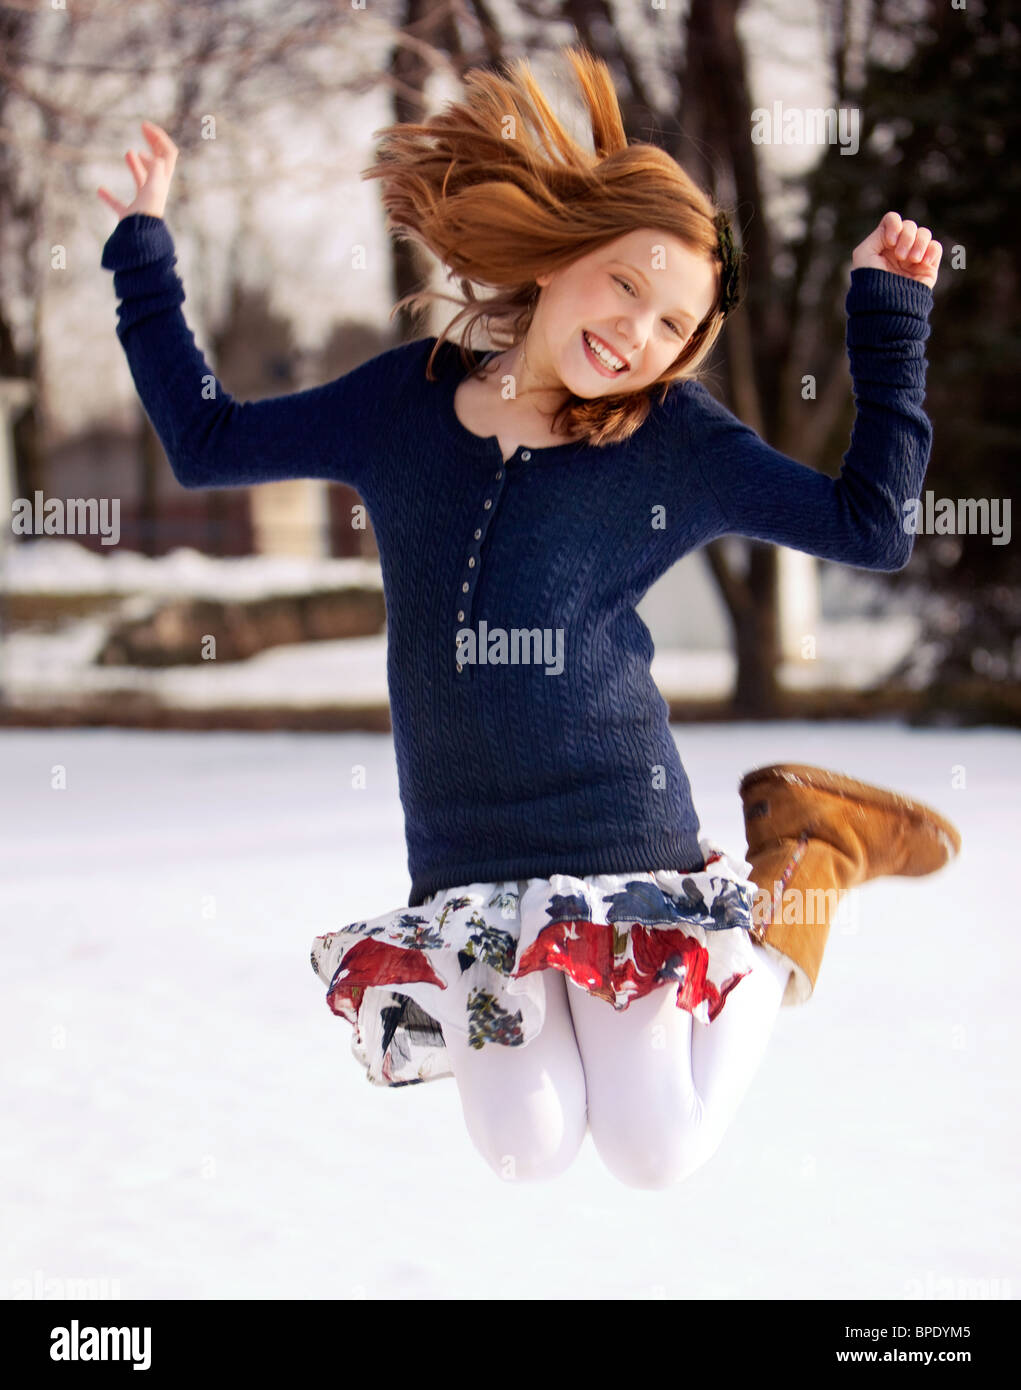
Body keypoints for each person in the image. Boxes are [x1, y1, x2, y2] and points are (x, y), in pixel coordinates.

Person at [98, 46, 960, 1190]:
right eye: (625, 286)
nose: (638, 333)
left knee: (655, 1150)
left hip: (620, 841)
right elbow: (207, 443)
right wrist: (143, 252)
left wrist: (889, 322)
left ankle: (809, 856)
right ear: (562, 255)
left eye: (673, 325)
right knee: (524, 1144)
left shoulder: (675, 441)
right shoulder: (403, 401)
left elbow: (870, 527)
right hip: (468, 863)